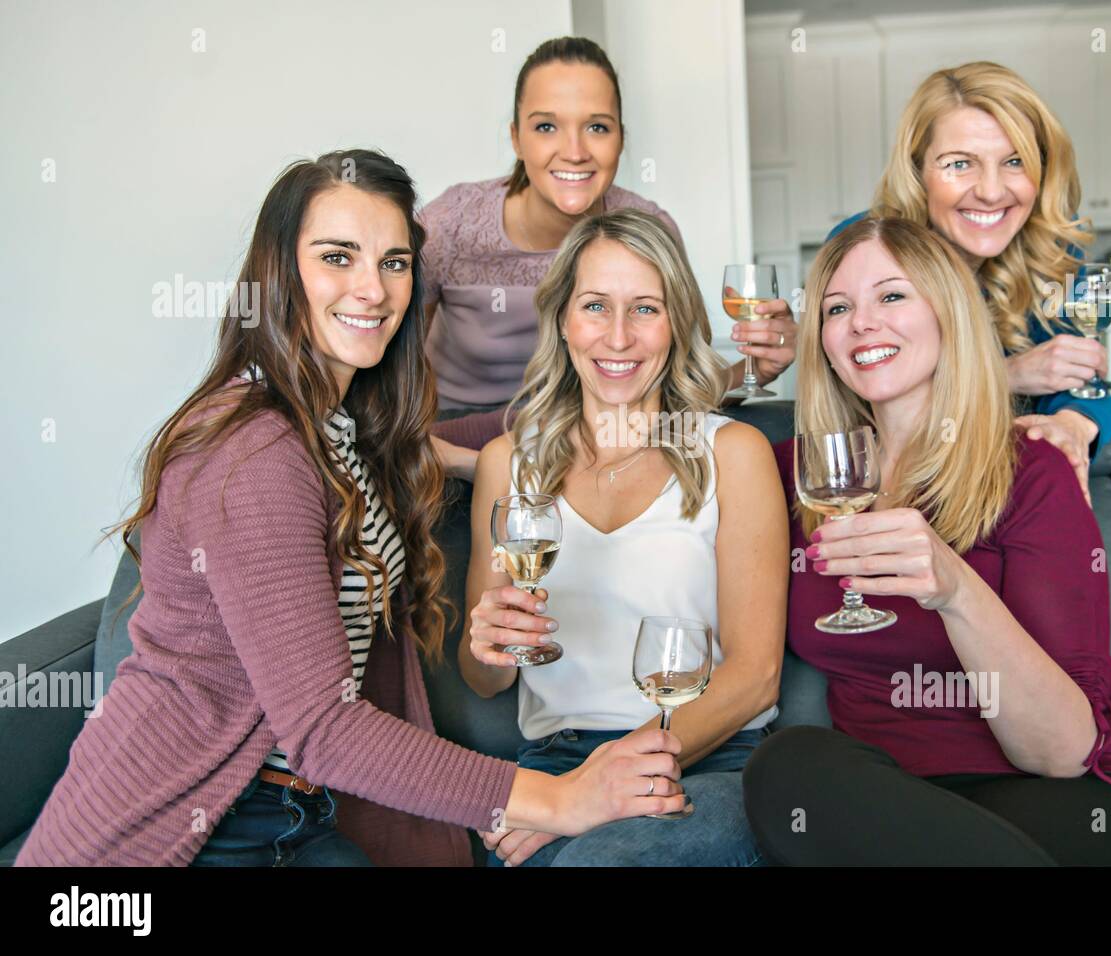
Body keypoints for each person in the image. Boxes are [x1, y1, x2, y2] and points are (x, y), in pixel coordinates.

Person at [15, 150, 689, 868]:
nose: (372, 289)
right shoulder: (253, 451)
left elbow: (512, 426)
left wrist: (655, 391)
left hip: (297, 818)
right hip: (179, 832)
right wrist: (559, 799)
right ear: (279, 273)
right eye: (339, 257)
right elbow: (323, 727)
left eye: (394, 263)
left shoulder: (351, 430)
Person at [742, 216, 1111, 866]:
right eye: (838, 307)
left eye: (893, 296)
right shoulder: (796, 473)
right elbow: (660, 422)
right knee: (787, 767)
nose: (862, 323)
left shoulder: (1029, 466)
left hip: (1084, 803)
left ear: (947, 311)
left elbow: (1060, 754)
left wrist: (955, 590)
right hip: (898, 808)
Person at [459, 208, 787, 866]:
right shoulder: (508, 464)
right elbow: (484, 682)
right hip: (553, 770)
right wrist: (489, 648)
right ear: (561, 318)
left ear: (677, 322)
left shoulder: (734, 453)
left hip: (705, 761)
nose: (618, 337)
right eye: (594, 306)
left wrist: (601, 785)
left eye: (645, 308)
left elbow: (756, 678)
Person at [423, 36, 796, 480]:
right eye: (546, 127)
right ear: (516, 138)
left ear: (621, 138)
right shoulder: (451, 225)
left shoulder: (646, 227)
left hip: (600, 435)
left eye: (597, 127)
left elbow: (677, 383)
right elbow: (394, 374)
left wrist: (755, 369)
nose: (576, 151)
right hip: (459, 431)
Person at [831, 61, 1111, 501]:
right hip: (897, 487)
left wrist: (1072, 425)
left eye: (1015, 161)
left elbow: (1083, 374)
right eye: (960, 163)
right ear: (917, 170)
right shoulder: (865, 248)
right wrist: (1006, 376)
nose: (990, 190)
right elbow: (855, 397)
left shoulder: (1053, 248)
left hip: (1001, 484)